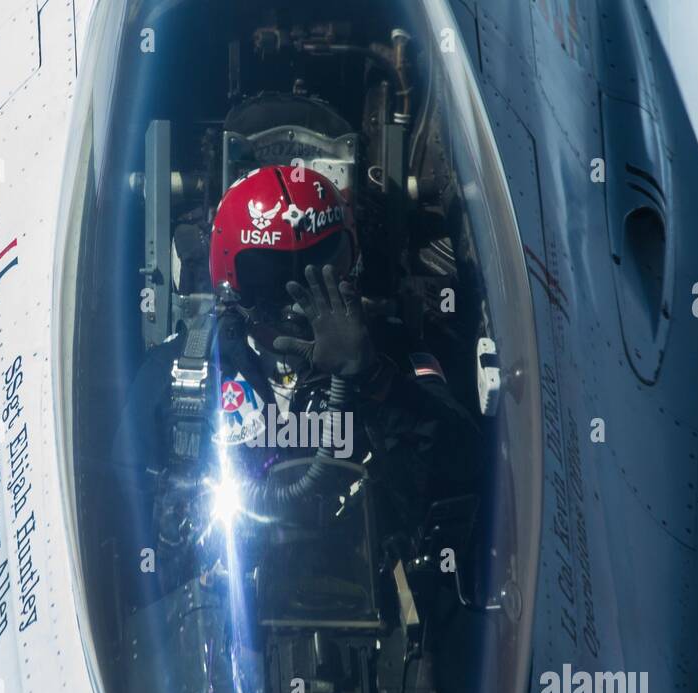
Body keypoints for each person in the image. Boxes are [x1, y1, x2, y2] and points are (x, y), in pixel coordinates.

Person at [112, 164, 477, 564]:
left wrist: (376, 379)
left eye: (320, 270)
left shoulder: (391, 350)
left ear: (350, 266)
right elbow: (119, 511)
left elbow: (468, 467)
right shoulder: (183, 370)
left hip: (374, 587)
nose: (297, 303)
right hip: (220, 600)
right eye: (269, 278)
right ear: (230, 280)